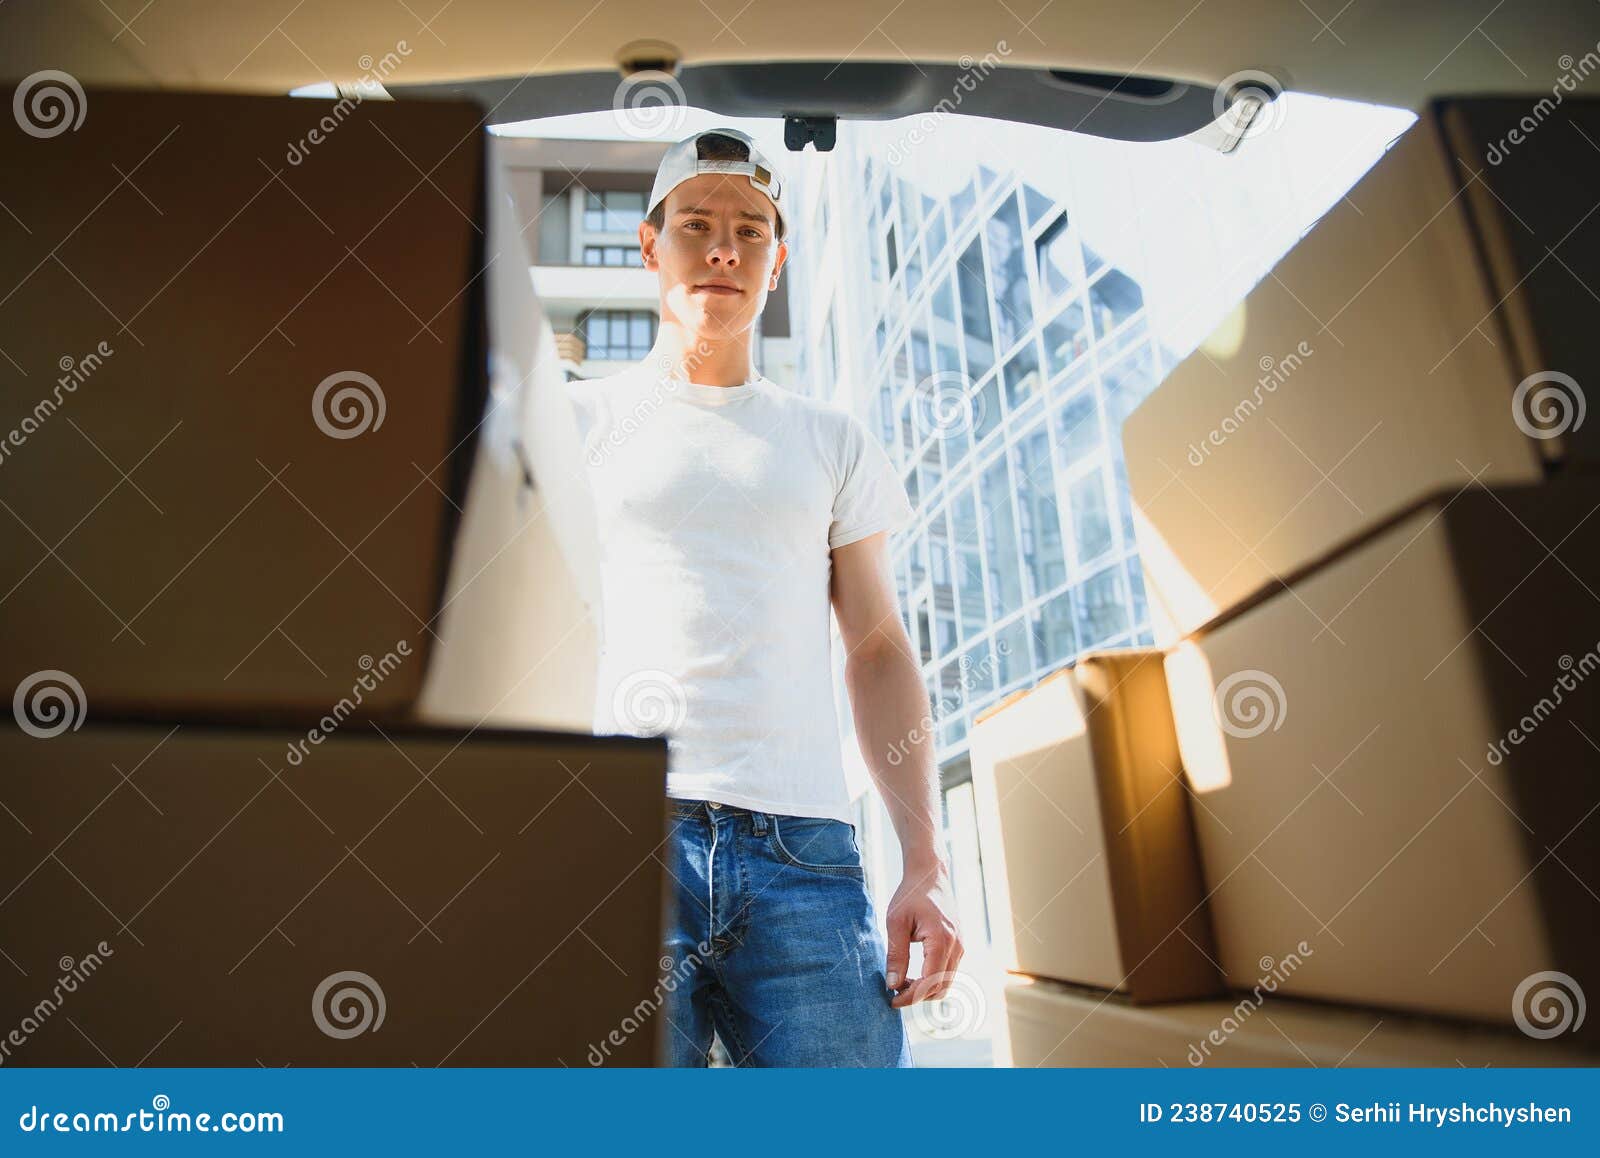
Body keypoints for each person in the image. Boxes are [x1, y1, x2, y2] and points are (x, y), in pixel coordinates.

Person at [567, 126, 962, 1066]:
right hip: (625, 835)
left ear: (775, 263)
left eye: (749, 231)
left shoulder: (830, 439)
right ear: (649, 248)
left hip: (805, 857)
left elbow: (875, 648)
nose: (722, 249)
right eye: (697, 225)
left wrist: (925, 863)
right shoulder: (575, 420)